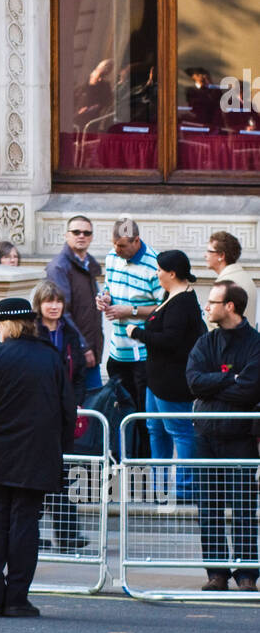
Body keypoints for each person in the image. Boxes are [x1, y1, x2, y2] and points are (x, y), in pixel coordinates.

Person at [0, 297, 76, 617]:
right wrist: (58, 444)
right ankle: (17, 598)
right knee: (25, 523)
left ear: (7, 325)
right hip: (36, 453)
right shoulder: (49, 357)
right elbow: (68, 408)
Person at [186, 281, 260, 592]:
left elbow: (252, 387)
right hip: (206, 434)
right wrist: (230, 377)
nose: (207, 306)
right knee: (209, 505)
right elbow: (193, 380)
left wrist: (216, 383)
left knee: (244, 506)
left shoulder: (255, 344)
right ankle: (216, 572)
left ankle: (246, 574)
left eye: (213, 301)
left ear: (230, 306)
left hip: (240, 436)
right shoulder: (206, 341)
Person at [124, 250, 205, 501]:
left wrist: (136, 333)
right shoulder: (170, 295)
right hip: (156, 382)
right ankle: (160, 488)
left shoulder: (183, 302)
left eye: (159, 270)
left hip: (172, 384)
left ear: (172, 273)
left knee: (180, 432)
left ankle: (184, 489)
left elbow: (170, 340)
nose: (156, 273)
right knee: (156, 431)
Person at [97, 218, 164, 457]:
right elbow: (108, 287)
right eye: (114, 245)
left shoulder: (155, 264)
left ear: (137, 241)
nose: (117, 250)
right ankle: (121, 464)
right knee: (117, 415)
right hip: (117, 351)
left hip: (143, 355)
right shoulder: (112, 256)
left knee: (142, 419)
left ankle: (144, 471)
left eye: (123, 246)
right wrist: (104, 298)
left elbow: (163, 307)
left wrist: (130, 311)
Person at [32, 280, 88, 551]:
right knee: (40, 477)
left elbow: (78, 374)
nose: (53, 306)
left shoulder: (69, 333)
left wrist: (75, 403)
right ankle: (33, 532)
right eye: (48, 301)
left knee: (65, 476)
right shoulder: (33, 332)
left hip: (64, 414)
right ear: (39, 305)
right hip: (39, 414)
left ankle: (67, 534)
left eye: (58, 301)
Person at [45, 215, 104, 390]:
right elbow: (61, 311)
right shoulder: (59, 267)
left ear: (92, 237)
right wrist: (83, 347)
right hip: (72, 351)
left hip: (91, 348)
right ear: (66, 235)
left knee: (94, 406)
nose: (81, 236)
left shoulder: (89, 264)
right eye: (76, 232)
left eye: (86, 233)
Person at [204, 230, 257, 329]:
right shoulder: (245, 277)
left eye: (209, 251)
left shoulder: (226, 285)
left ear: (221, 256)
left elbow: (218, 325)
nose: (205, 255)